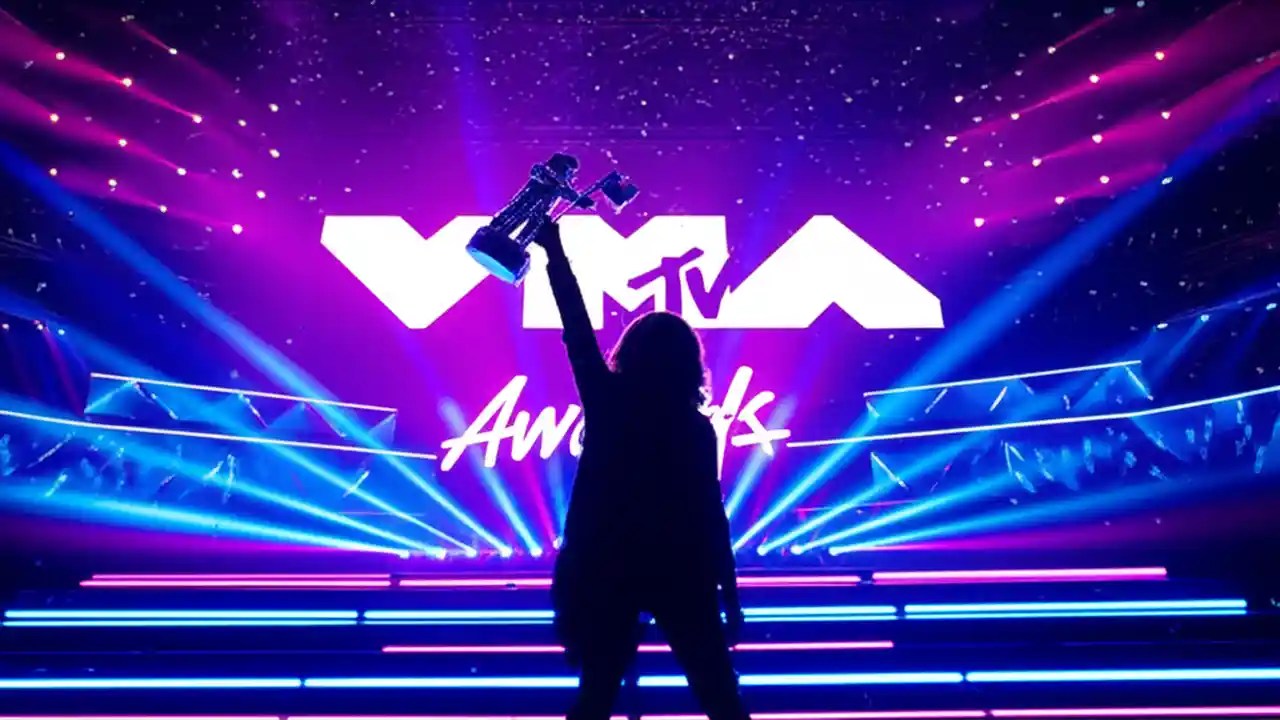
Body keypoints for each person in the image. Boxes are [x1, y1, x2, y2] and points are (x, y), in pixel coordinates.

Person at [535, 220, 749, 720]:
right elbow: (711, 517)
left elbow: (577, 332)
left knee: (596, 696)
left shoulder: (610, 404)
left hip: (609, 566)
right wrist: (731, 597)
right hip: (682, 568)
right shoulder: (695, 429)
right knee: (720, 697)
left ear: (629, 355)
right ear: (688, 364)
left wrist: (555, 253)